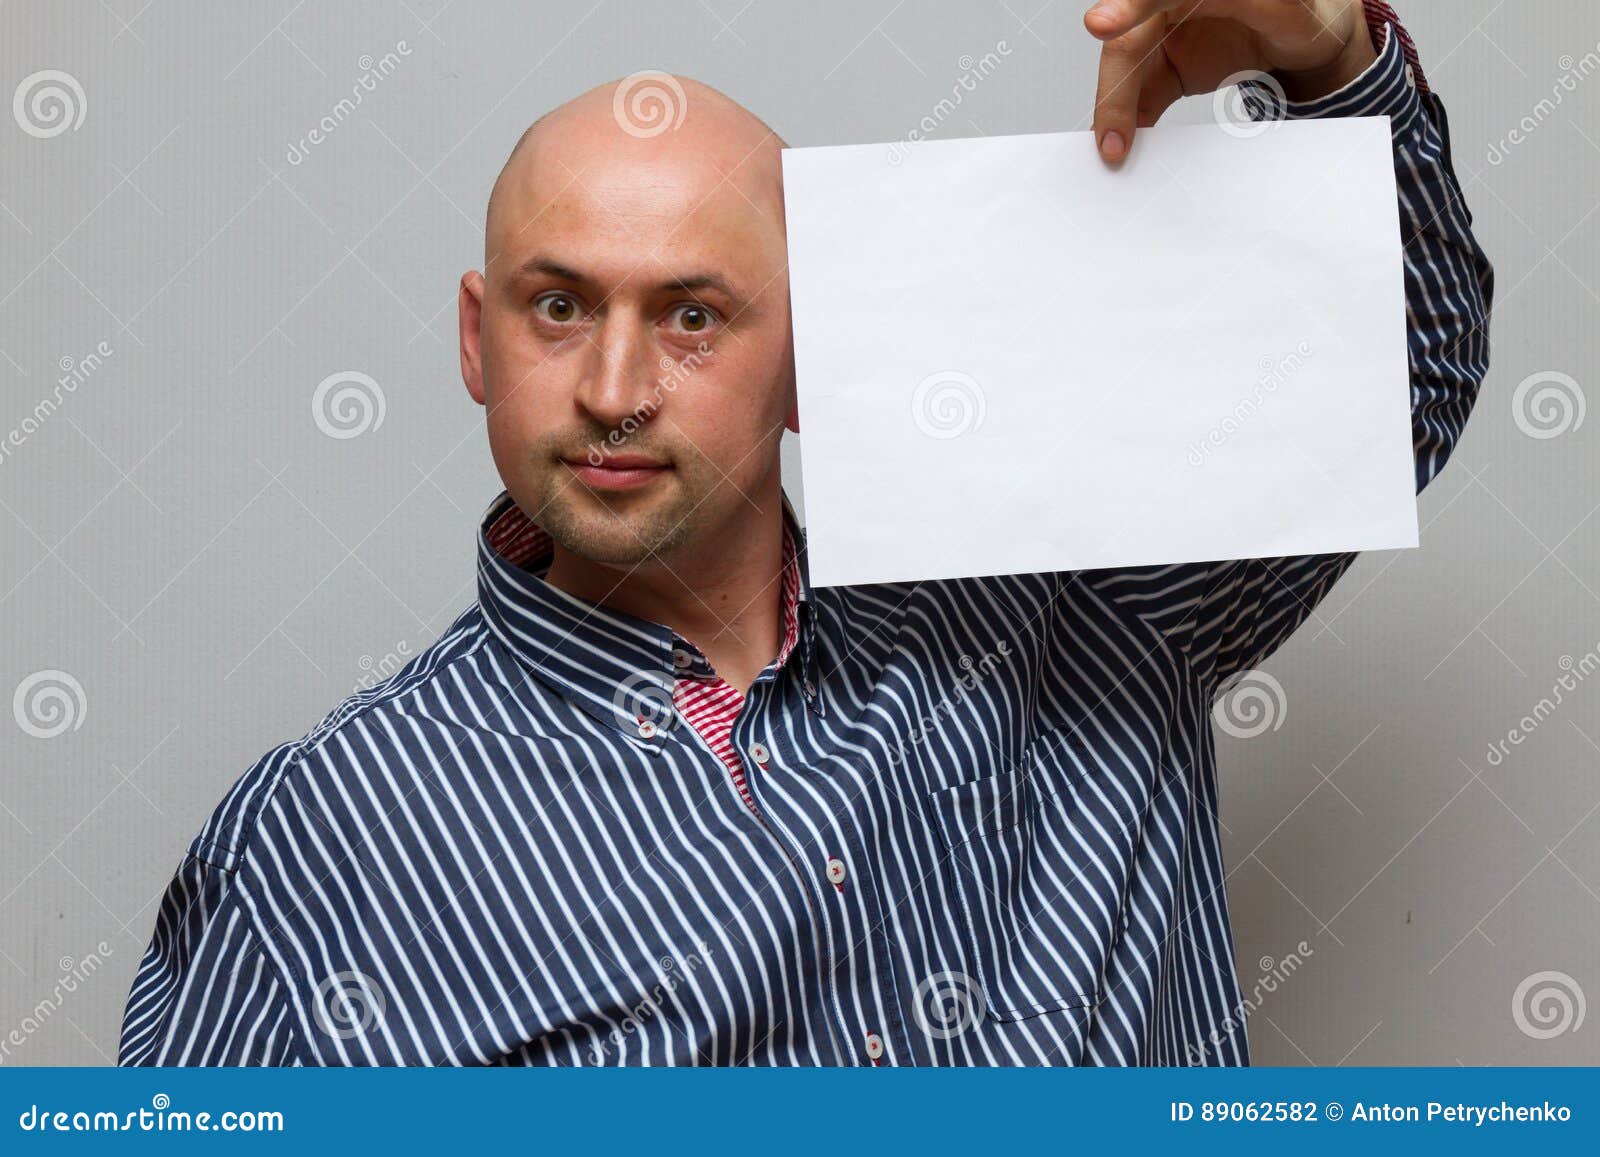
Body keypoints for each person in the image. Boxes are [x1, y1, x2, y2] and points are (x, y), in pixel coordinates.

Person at [119, 0, 1492, 1066]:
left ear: (811, 353)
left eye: (692, 316)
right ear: (477, 339)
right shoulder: (319, 844)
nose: (610, 387)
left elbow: (1386, 380)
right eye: (557, 307)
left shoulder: (1081, 606)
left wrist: (1328, 65)